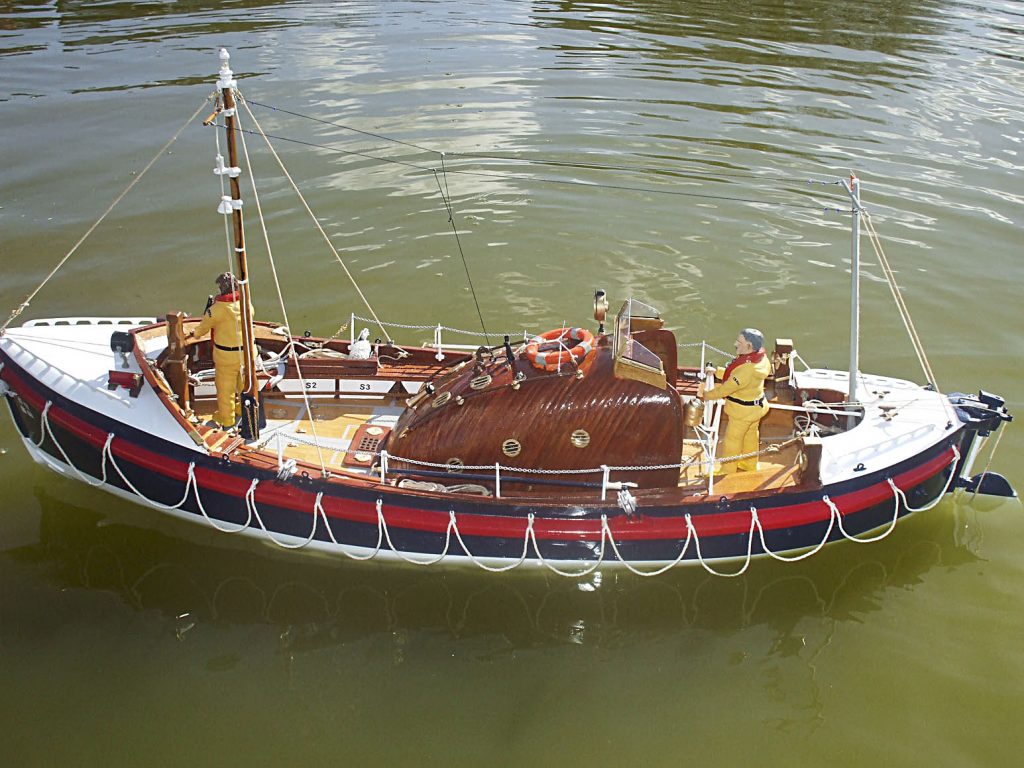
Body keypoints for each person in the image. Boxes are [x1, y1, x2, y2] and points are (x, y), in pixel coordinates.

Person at [702, 328, 771, 474]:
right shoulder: (761, 360)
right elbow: (737, 377)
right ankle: (750, 463)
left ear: (749, 346)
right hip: (756, 407)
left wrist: (707, 394)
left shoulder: (746, 370)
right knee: (751, 435)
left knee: (733, 440)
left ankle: (728, 469)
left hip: (742, 412)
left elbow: (726, 389)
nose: (735, 344)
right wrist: (718, 372)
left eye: (739, 342)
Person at [188, 272, 253, 428]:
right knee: (243, 385)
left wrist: (193, 334)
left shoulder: (216, 310)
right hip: (247, 354)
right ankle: (240, 409)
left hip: (226, 357)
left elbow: (202, 329)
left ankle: (227, 420)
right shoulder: (245, 304)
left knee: (226, 390)